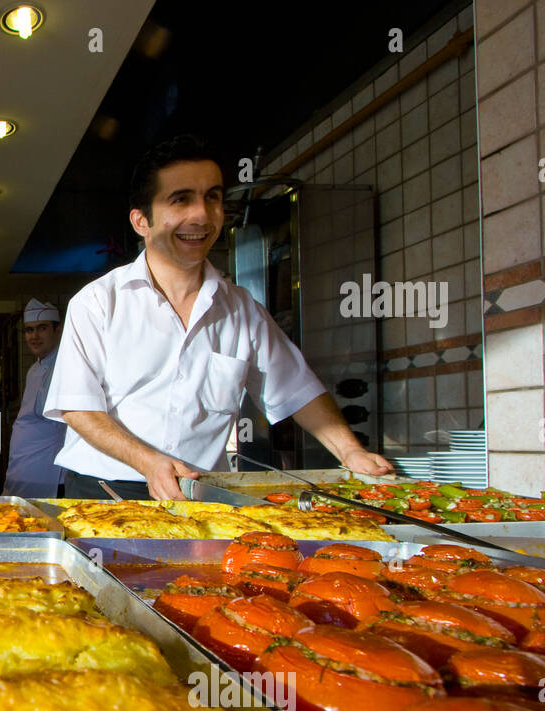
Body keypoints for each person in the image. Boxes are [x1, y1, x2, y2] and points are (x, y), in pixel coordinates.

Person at [43, 134, 392, 500]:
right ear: (141, 221)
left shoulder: (241, 309)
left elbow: (297, 390)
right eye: (181, 199)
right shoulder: (99, 302)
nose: (201, 215)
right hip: (104, 492)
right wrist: (147, 461)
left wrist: (351, 452)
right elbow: (78, 407)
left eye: (212, 197)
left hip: (201, 495)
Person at [3, 298, 66, 498]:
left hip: (47, 466)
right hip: (23, 463)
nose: (34, 336)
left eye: (42, 328)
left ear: (58, 329)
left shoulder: (66, 365)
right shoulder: (33, 369)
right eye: (29, 330)